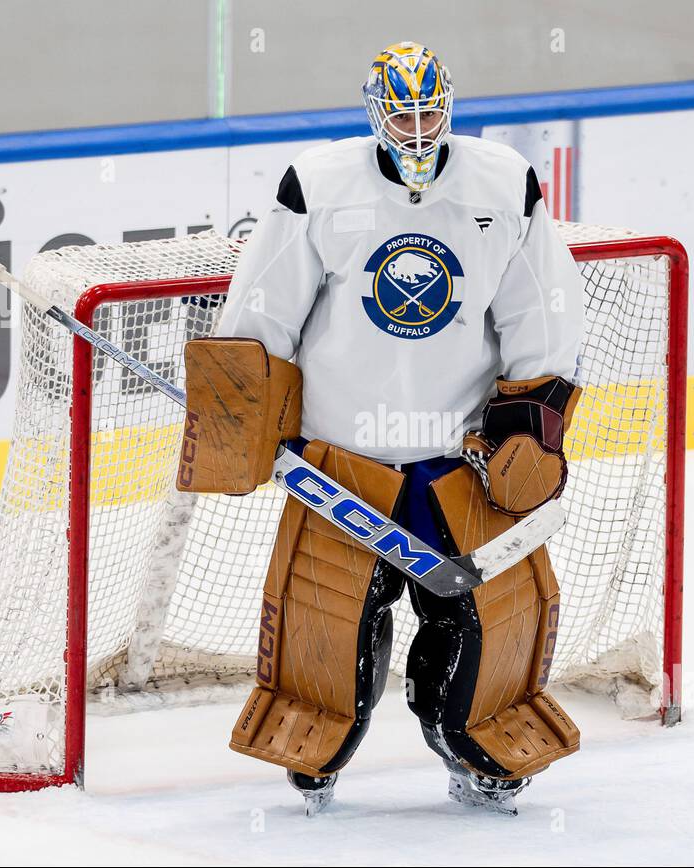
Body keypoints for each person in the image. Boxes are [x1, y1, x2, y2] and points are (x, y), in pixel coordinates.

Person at [212, 41, 586, 815]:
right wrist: (245, 415)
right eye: (402, 112)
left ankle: (479, 744)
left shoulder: (504, 182)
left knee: (486, 621)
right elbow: (263, 310)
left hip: (462, 459)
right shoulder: (317, 184)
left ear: (449, 105)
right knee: (330, 622)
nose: (417, 128)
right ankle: (315, 744)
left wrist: (532, 427)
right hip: (343, 458)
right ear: (374, 110)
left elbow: (539, 311)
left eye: (428, 110)